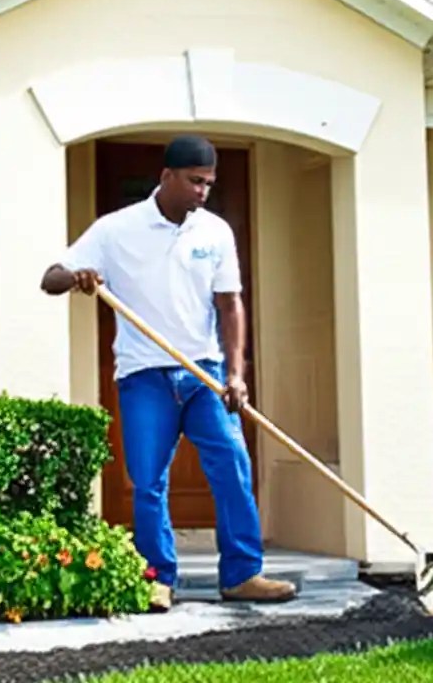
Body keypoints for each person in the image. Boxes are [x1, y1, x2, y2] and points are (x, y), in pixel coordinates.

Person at [40, 134, 297, 612]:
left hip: (203, 374)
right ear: (167, 177)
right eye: (195, 181)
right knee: (148, 479)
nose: (203, 192)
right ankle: (156, 578)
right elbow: (50, 276)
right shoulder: (116, 230)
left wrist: (235, 374)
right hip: (144, 376)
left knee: (233, 467)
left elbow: (230, 304)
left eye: (209, 183)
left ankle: (243, 574)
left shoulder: (215, 231)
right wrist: (77, 278)